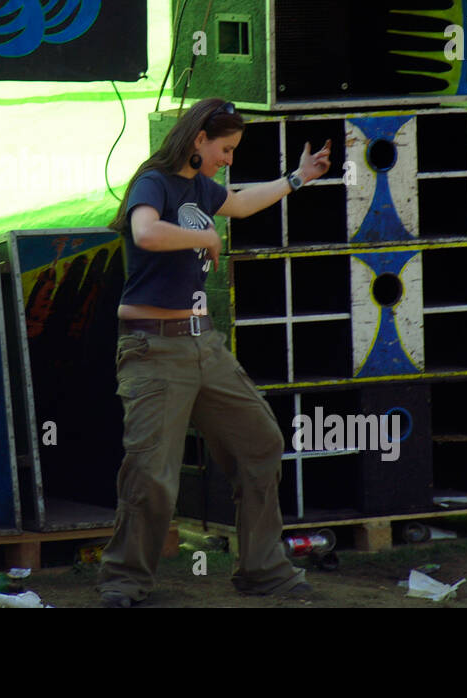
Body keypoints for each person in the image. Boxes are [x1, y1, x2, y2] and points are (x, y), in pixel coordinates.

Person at [97, 98, 331, 607]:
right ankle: (124, 581)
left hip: (204, 345)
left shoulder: (200, 187)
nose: (228, 159)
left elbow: (242, 203)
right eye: (225, 148)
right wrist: (202, 234)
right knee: (153, 475)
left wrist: (297, 178)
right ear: (199, 138)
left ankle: (263, 570)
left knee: (260, 442)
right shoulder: (154, 180)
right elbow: (145, 231)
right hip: (153, 348)